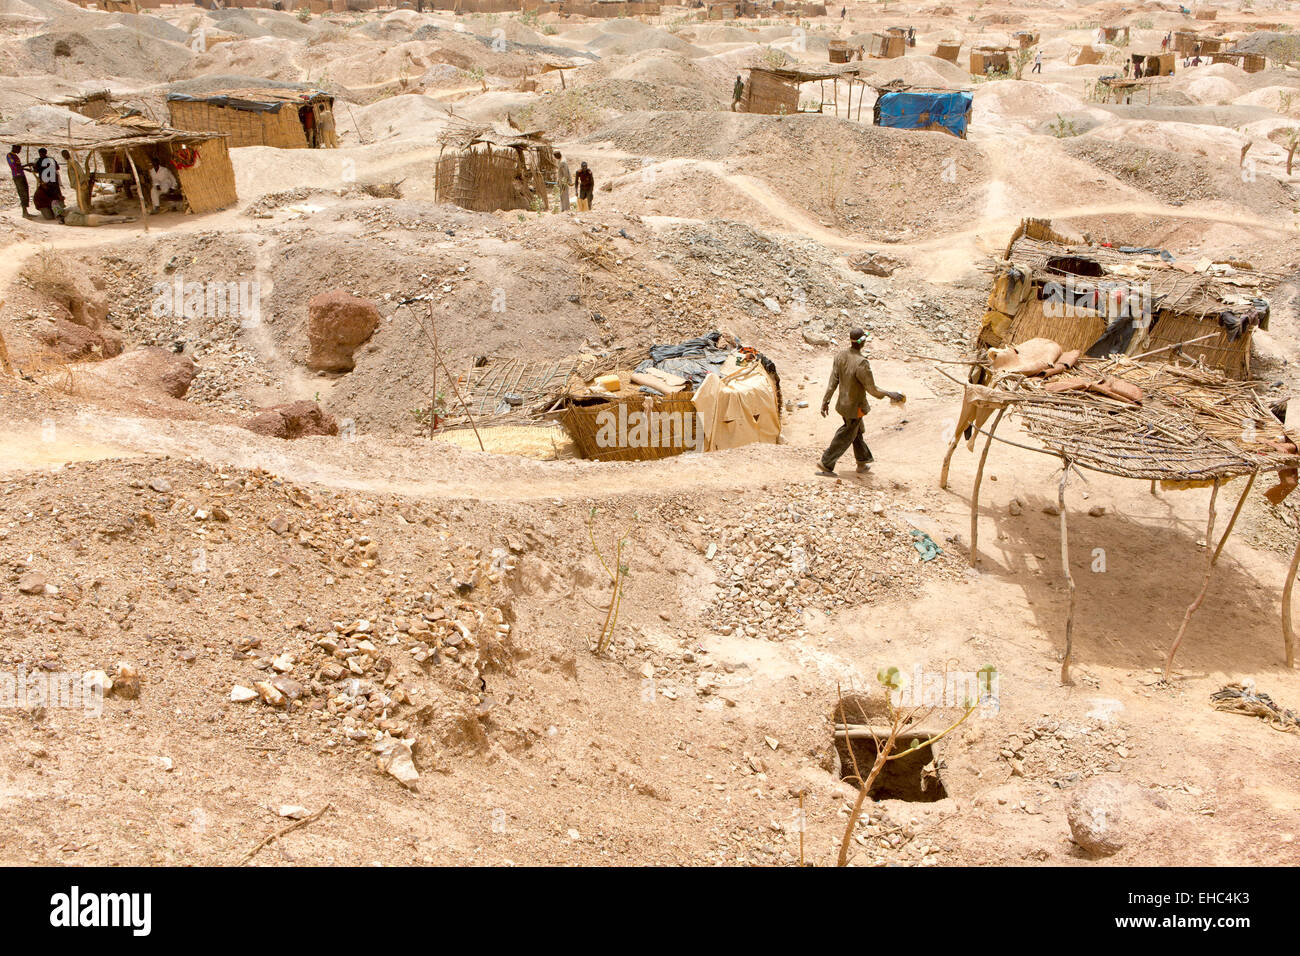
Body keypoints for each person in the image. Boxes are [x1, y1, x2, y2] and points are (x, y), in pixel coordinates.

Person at [817, 327, 904, 477]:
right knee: (847, 433)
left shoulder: (840, 356)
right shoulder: (862, 363)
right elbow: (872, 389)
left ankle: (862, 462)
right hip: (854, 407)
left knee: (856, 432)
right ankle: (826, 463)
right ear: (863, 342)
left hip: (842, 405)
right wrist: (890, 394)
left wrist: (826, 401)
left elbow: (832, 382)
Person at [7, 145, 29, 217]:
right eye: (19, 149)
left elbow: (19, 166)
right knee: (22, 192)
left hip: (21, 175)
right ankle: (24, 212)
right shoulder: (10, 155)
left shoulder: (15, 156)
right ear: (14, 148)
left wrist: (25, 168)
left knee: (25, 191)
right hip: (17, 176)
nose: (19, 151)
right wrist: (26, 166)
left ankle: (26, 211)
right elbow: (15, 166)